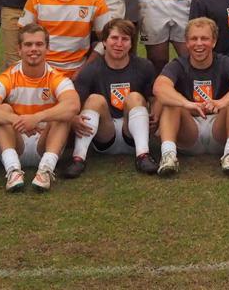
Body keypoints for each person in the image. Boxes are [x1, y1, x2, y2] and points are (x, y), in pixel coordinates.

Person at [0, 24, 81, 192]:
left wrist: (36, 118)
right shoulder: (8, 76)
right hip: (16, 142)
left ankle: (45, 171)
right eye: (28, 44)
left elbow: (73, 105)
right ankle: (13, 171)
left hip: (45, 143)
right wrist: (16, 119)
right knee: (3, 110)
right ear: (19, 49)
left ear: (47, 48)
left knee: (63, 114)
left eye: (39, 44)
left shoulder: (57, 77)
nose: (34, 49)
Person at [154, 18, 229, 176]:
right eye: (194, 39)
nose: (199, 44)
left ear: (214, 42)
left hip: (219, 129)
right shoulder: (178, 64)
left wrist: (222, 102)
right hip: (190, 130)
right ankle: (168, 156)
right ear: (186, 43)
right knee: (171, 103)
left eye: (204, 38)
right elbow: (159, 87)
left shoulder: (224, 62)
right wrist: (186, 104)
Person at [64, 19, 159, 178]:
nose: (119, 43)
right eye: (114, 38)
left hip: (133, 132)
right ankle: (78, 158)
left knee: (134, 97)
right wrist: (73, 119)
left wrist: (156, 115)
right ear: (104, 42)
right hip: (104, 135)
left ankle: (143, 155)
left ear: (131, 44)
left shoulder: (144, 66)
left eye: (125, 39)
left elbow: (155, 98)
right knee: (95, 99)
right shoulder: (90, 69)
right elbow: (74, 103)